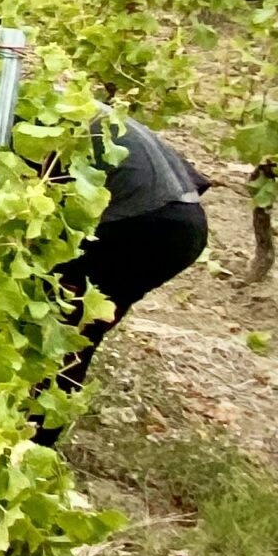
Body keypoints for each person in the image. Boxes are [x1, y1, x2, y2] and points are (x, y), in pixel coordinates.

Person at [35, 111, 212, 446]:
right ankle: (35, 438)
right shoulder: (69, 108)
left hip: (148, 225)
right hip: (182, 220)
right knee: (75, 330)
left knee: (61, 326)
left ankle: (32, 442)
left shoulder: (26, 121)